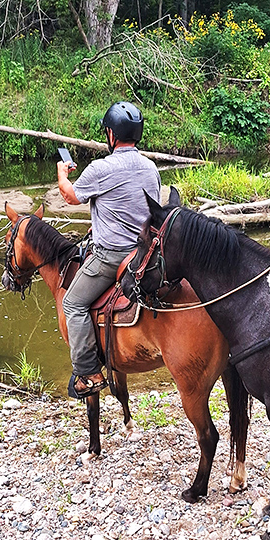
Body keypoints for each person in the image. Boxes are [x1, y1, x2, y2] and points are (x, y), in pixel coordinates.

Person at [57, 101, 161, 398]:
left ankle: (88, 373)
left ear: (112, 135)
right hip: (145, 253)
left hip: (112, 256)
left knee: (73, 304)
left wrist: (63, 173)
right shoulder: (151, 167)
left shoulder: (100, 168)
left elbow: (70, 196)